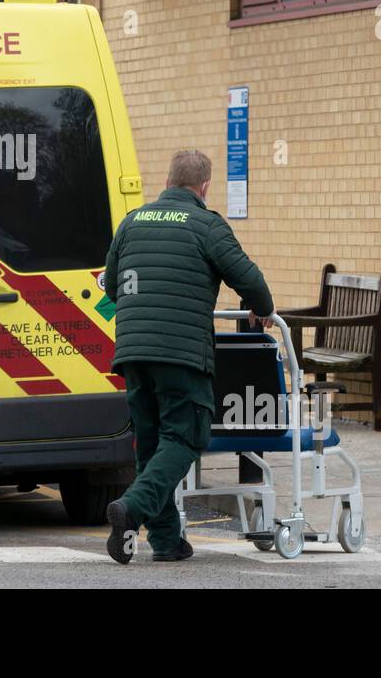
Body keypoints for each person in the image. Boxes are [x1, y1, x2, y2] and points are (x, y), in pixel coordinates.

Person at [102, 149, 274, 564]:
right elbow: (249, 279)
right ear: (205, 188)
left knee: (152, 444)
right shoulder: (207, 225)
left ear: (166, 182)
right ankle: (133, 507)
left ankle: (166, 542)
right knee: (186, 435)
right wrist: (262, 309)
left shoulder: (132, 222)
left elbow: (111, 284)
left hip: (132, 351)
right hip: (180, 353)